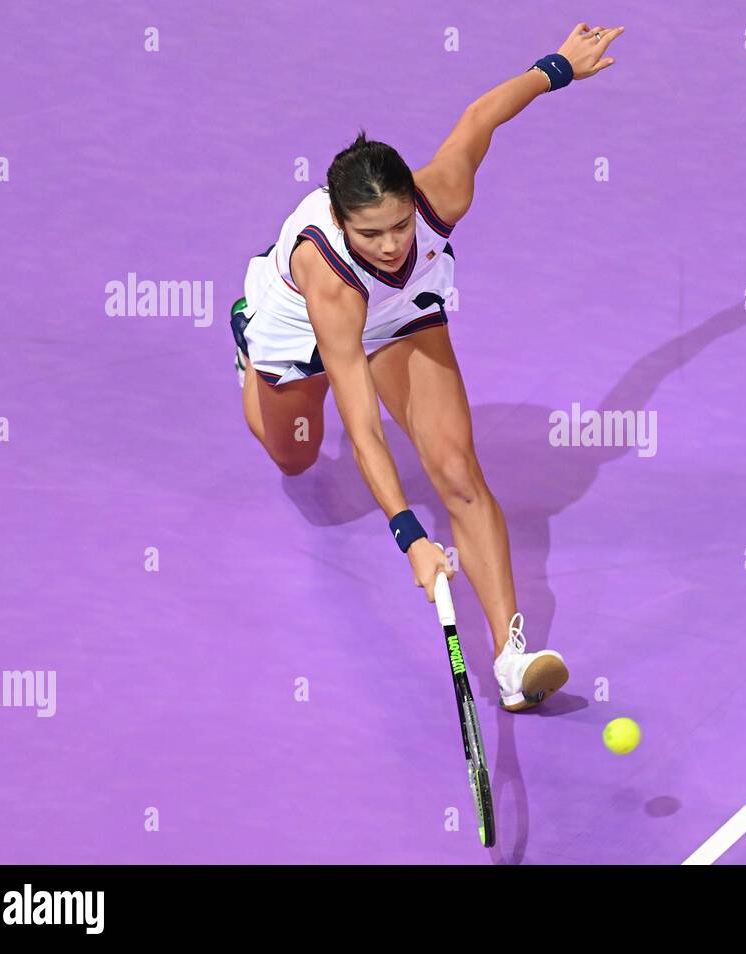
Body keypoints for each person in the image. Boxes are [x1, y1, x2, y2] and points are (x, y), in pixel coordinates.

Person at [229, 23, 625, 711]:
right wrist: (409, 535)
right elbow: (364, 429)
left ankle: (511, 658)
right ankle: (244, 350)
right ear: (344, 226)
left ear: (414, 202)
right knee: (294, 458)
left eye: (399, 226)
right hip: (305, 332)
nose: (389, 244)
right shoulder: (327, 276)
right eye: (371, 233)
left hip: (401, 318)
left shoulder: (442, 194)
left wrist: (559, 65)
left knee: (459, 473)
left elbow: (482, 116)